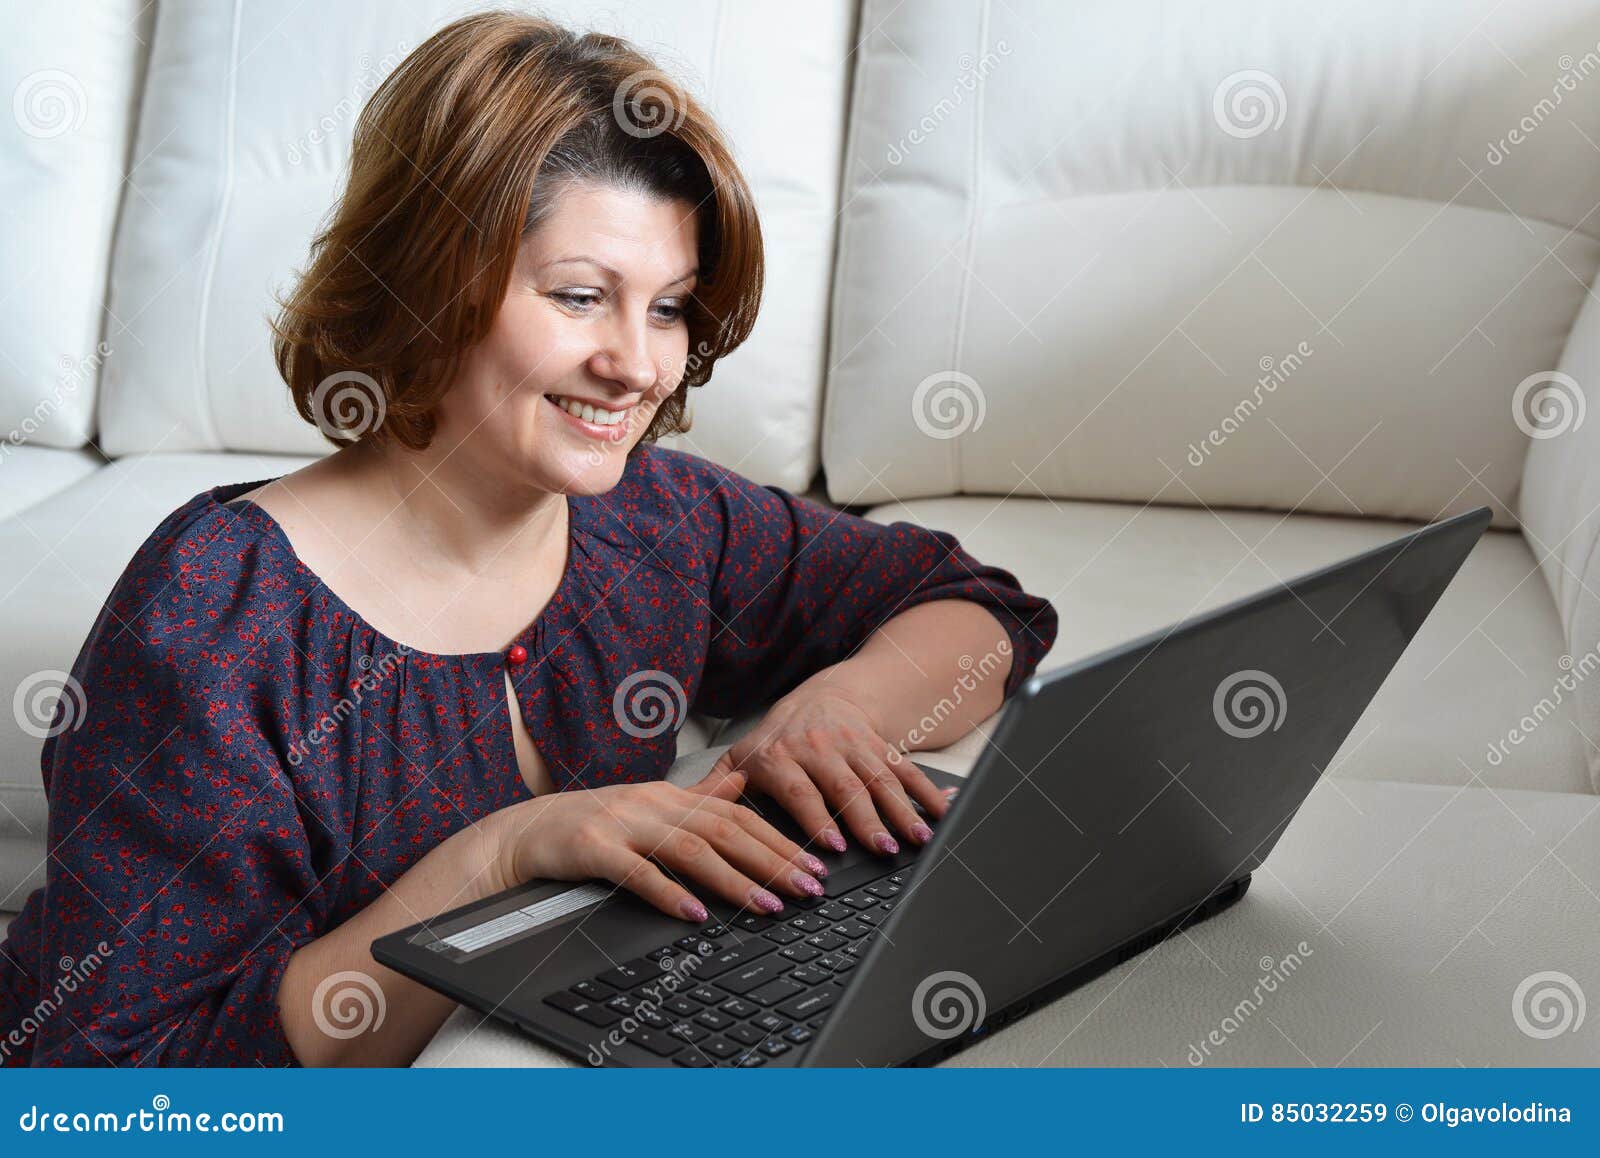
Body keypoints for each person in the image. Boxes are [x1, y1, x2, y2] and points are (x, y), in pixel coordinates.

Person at [0, 10, 1056, 1067]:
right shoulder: (214, 619)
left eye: (669, 309)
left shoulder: (652, 519)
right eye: (581, 298)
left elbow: (975, 607)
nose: (638, 366)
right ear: (428, 285)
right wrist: (496, 860)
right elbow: (115, 1087)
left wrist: (835, 713)